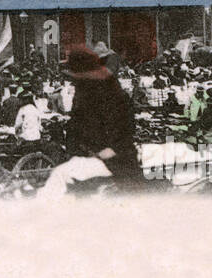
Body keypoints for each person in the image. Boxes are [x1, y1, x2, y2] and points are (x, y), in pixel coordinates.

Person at [39, 46, 139, 198]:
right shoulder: (84, 97)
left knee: (59, 176)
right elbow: (76, 129)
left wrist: (111, 150)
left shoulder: (114, 96)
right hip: (88, 157)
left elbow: (125, 130)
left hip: (113, 161)